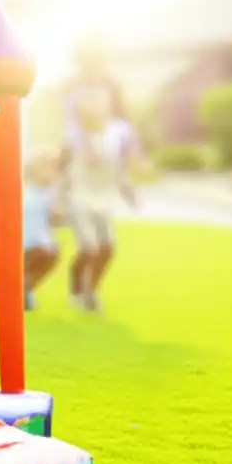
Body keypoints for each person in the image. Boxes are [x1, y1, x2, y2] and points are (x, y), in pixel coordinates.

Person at [57, 83, 138, 312]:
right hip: (79, 196)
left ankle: (91, 289)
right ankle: (76, 289)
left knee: (108, 248)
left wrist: (128, 191)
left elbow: (118, 167)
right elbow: (61, 167)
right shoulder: (73, 135)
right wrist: (59, 198)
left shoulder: (115, 133)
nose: (96, 108)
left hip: (103, 198)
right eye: (90, 103)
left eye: (101, 103)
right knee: (89, 247)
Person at [23, 153, 61, 311]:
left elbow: (55, 219)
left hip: (42, 244)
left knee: (42, 262)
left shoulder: (49, 194)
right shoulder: (28, 193)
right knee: (41, 260)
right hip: (32, 244)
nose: (52, 174)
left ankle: (25, 291)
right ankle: (24, 291)